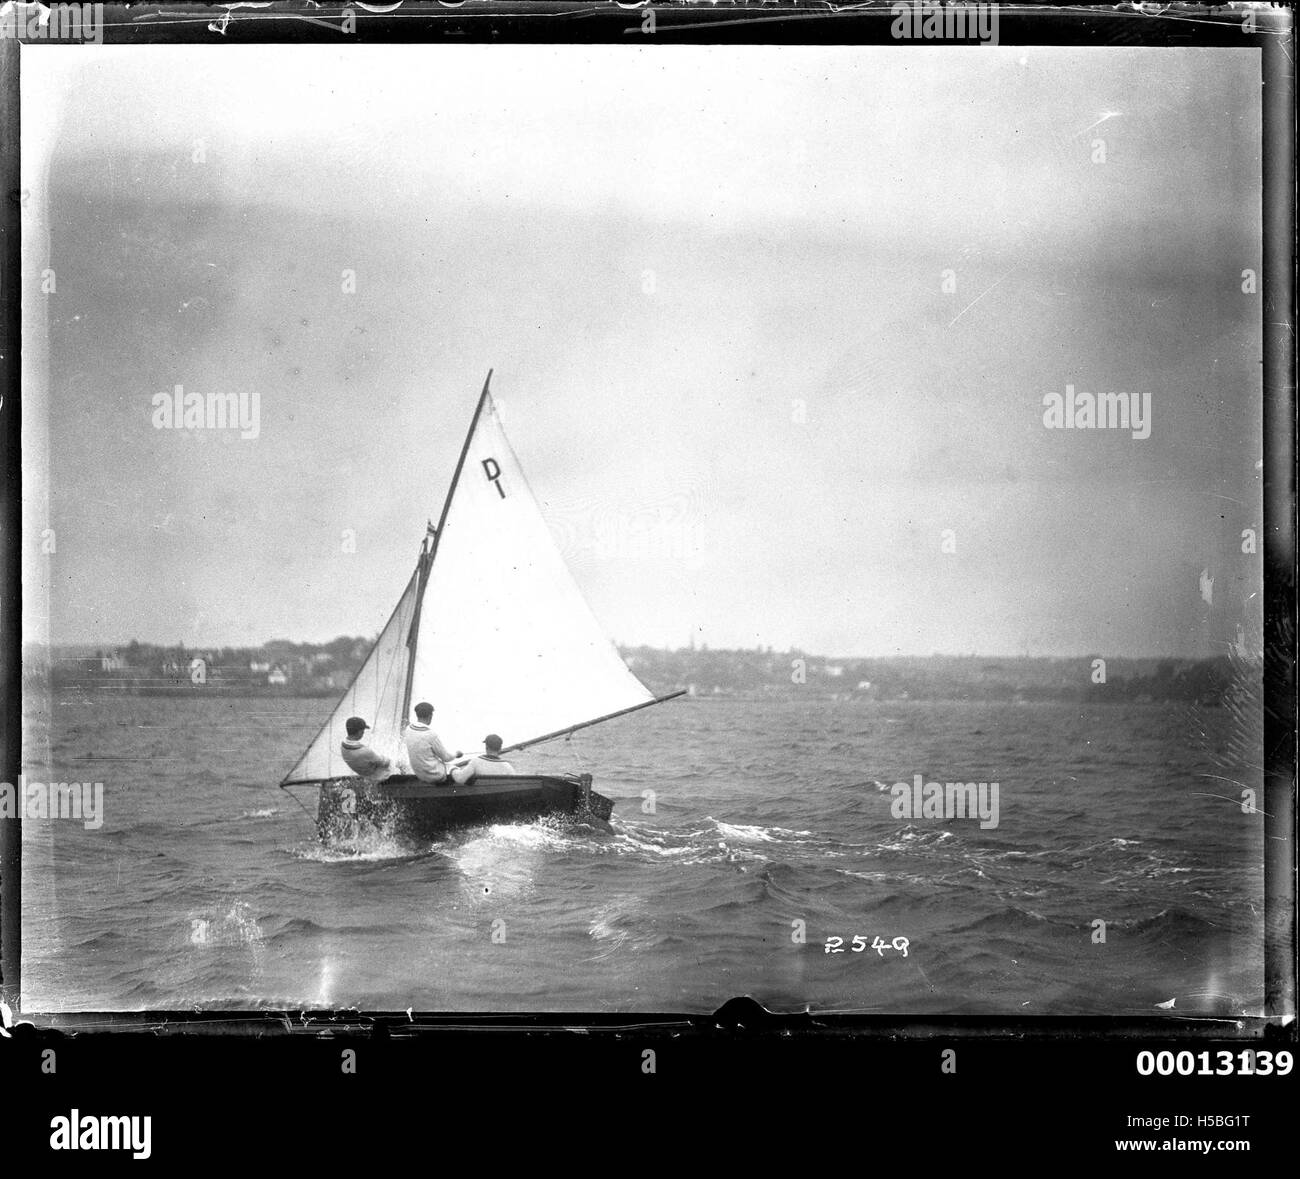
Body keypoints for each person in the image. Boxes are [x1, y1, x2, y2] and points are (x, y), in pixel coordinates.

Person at [403, 701, 461, 784]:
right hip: (434, 775)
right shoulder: (431, 734)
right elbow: (446, 758)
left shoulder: (408, 729)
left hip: (418, 773)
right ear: (430, 716)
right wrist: (456, 754)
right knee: (452, 768)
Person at [339, 716, 393, 781]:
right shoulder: (365, 752)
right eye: (363, 731)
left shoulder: (343, 746)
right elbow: (385, 763)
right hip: (381, 778)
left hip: (364, 773)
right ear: (360, 732)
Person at [450, 734, 517, 784]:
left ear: (486, 747)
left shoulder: (476, 762)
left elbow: (460, 779)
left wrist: (453, 769)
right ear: (500, 749)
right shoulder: (507, 766)